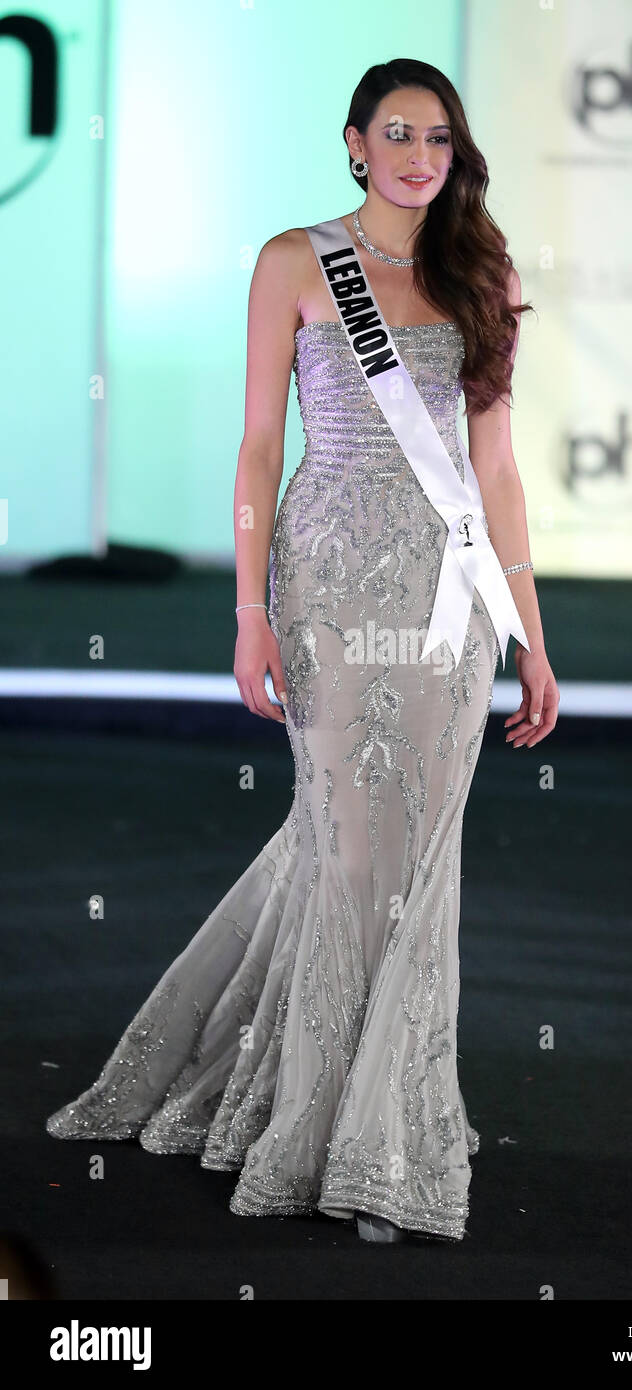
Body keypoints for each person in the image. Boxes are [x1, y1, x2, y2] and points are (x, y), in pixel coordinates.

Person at [46, 58, 559, 1245]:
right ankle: (322, 1112)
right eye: (396, 133)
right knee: (342, 844)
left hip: (447, 597)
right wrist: (247, 610)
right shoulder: (294, 261)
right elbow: (255, 449)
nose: (419, 155)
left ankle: (384, 1123)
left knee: (418, 854)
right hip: (325, 583)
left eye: (438, 135)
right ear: (352, 143)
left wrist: (531, 635)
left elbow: (495, 471)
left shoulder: (483, 271)